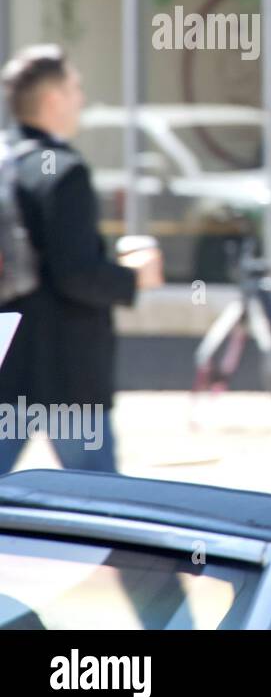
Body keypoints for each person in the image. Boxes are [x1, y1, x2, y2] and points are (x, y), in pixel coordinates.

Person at [0, 45, 163, 474]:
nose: (82, 100)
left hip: (7, 364)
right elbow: (74, 274)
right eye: (76, 89)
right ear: (53, 99)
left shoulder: (5, 161)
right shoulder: (65, 171)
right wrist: (133, 277)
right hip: (64, 371)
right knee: (102, 504)